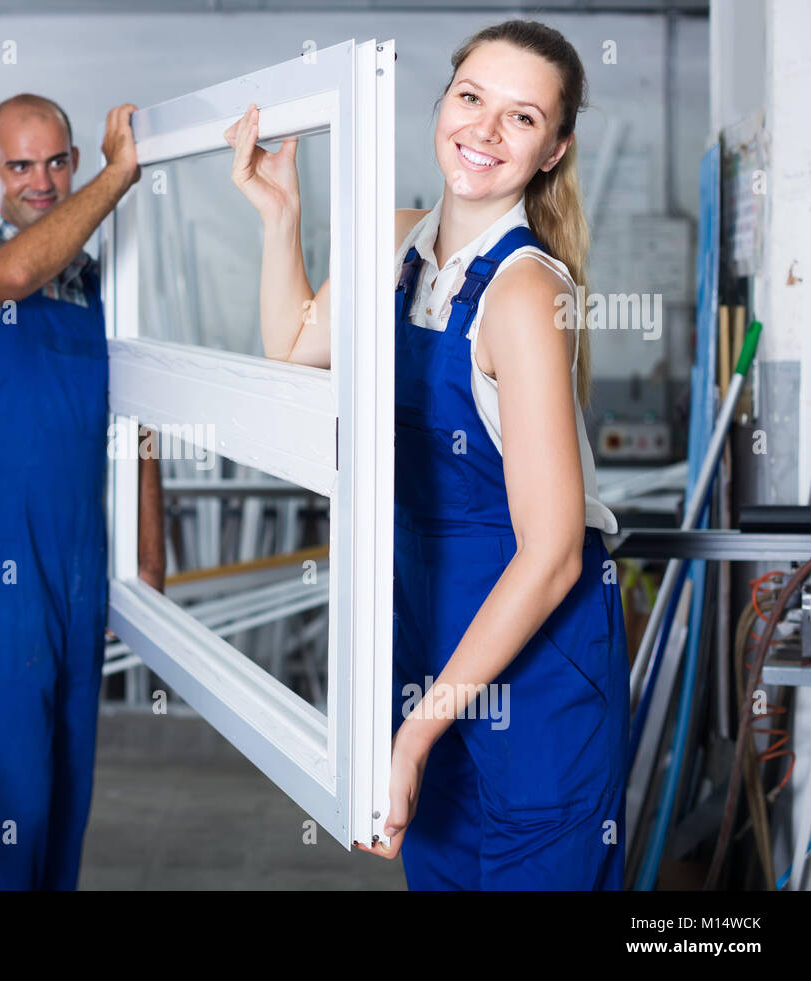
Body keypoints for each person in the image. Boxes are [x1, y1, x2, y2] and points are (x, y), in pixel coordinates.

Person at [226, 20, 629, 889]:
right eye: (472, 98)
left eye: (522, 119)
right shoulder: (395, 241)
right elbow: (296, 349)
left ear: (555, 149)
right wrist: (280, 216)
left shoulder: (523, 290)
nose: (484, 131)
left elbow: (553, 553)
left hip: (536, 664)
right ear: (444, 100)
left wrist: (414, 732)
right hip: (433, 645)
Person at [0, 93, 166, 890]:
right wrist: (117, 174)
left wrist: (146, 561)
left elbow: (139, 417)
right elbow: (18, 269)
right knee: (0, 797)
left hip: (73, 565)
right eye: (20, 165)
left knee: (63, 796)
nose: (42, 180)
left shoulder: (96, 280)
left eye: (58, 161)